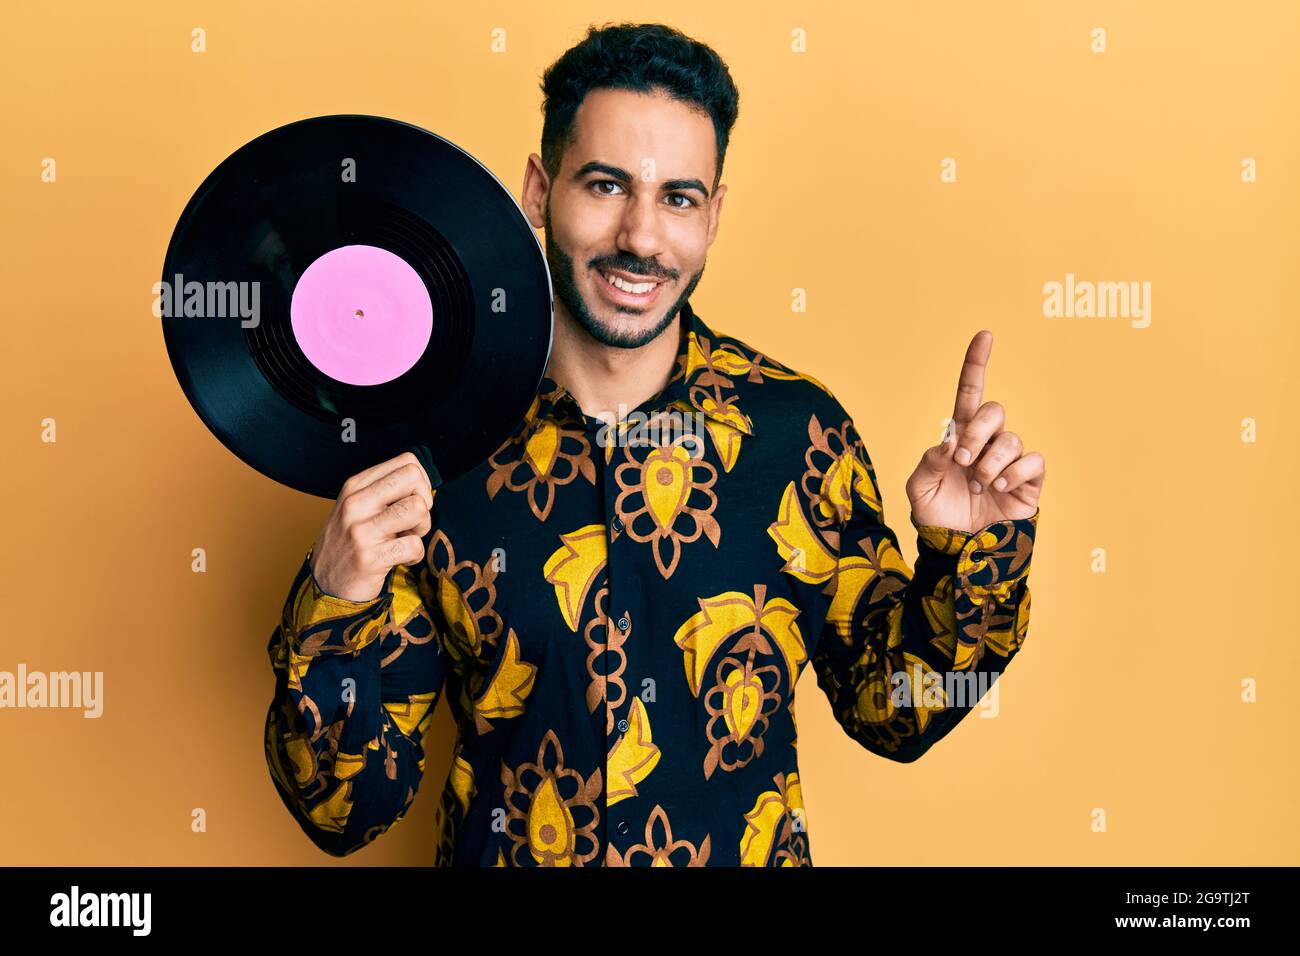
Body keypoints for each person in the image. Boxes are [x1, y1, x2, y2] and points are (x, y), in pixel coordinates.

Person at [262, 21, 1045, 866]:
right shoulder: (432, 452)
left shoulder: (799, 433)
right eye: (604, 185)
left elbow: (897, 712)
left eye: (678, 197)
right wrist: (334, 602)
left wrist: (972, 557)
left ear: (713, 218)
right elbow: (346, 812)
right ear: (537, 190)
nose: (641, 236)